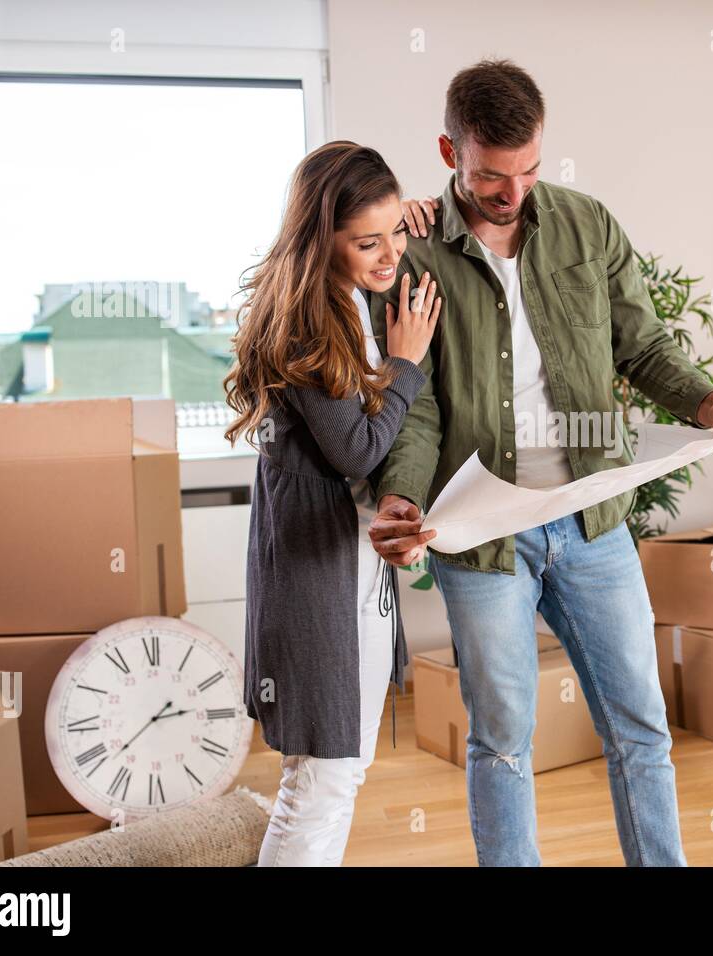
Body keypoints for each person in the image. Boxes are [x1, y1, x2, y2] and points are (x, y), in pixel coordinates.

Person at [363, 59, 713, 867]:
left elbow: (643, 345)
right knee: (504, 738)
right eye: (490, 176)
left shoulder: (586, 226)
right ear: (449, 151)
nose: (514, 193)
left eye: (530, 171)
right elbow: (417, 400)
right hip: (481, 534)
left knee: (641, 725)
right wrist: (402, 495)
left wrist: (707, 404)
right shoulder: (411, 256)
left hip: (593, 522)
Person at [223, 140, 443, 866]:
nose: (389, 258)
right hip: (322, 580)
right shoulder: (315, 318)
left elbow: (382, 241)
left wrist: (403, 227)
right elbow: (356, 449)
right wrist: (407, 365)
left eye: (396, 235)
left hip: (346, 566)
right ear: (325, 241)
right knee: (323, 777)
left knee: (334, 772)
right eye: (366, 243)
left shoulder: (341, 291)